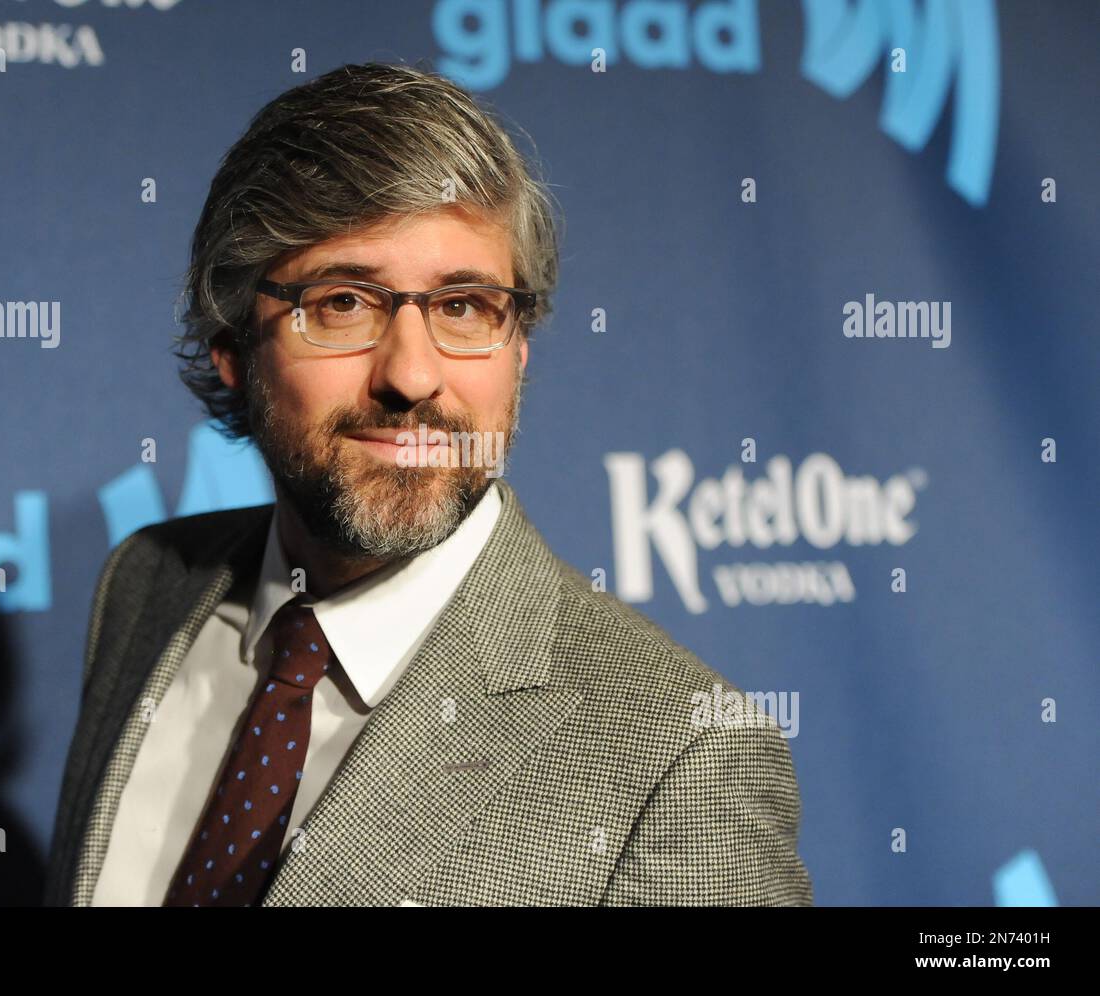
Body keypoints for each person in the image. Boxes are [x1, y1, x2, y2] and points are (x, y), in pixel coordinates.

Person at [45, 61, 813, 907]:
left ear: (518, 349)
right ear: (232, 344)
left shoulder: (683, 761)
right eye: (343, 302)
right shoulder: (148, 584)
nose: (411, 376)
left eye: (463, 307)